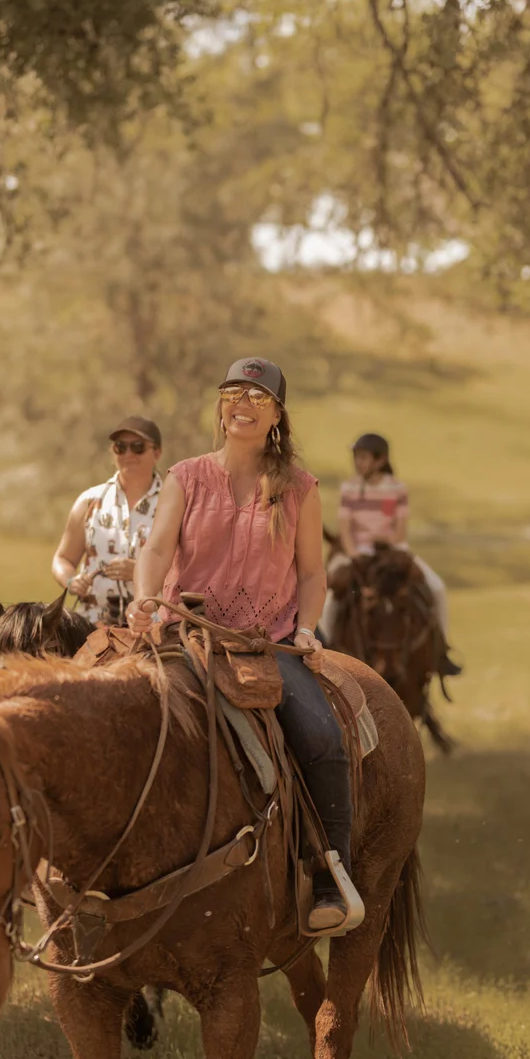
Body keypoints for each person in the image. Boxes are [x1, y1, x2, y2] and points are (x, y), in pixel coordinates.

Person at [126, 357, 358, 931]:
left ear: (278, 414)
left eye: (257, 397)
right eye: (233, 393)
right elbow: (156, 549)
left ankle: (330, 876)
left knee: (322, 736)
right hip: (184, 634)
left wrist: (307, 630)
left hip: (265, 644)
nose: (242, 405)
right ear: (220, 406)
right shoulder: (184, 477)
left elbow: (312, 573)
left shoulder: (300, 489)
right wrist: (145, 598)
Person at [337, 432, 462, 676]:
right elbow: (345, 530)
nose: (358, 463)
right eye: (356, 457)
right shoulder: (348, 488)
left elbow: (400, 532)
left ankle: (441, 652)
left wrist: (384, 541)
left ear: (380, 460)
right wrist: (354, 556)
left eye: (363, 457)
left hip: (393, 553)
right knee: (330, 596)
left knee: (437, 588)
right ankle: (323, 647)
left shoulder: (397, 489)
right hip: (358, 553)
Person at [52, 416, 163, 625]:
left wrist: (140, 572)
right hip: (91, 623)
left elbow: (187, 574)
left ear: (157, 452)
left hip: (150, 624)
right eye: (120, 447)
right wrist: (71, 580)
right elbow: (62, 558)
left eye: (137, 447)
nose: (128, 454)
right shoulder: (89, 501)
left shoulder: (173, 504)